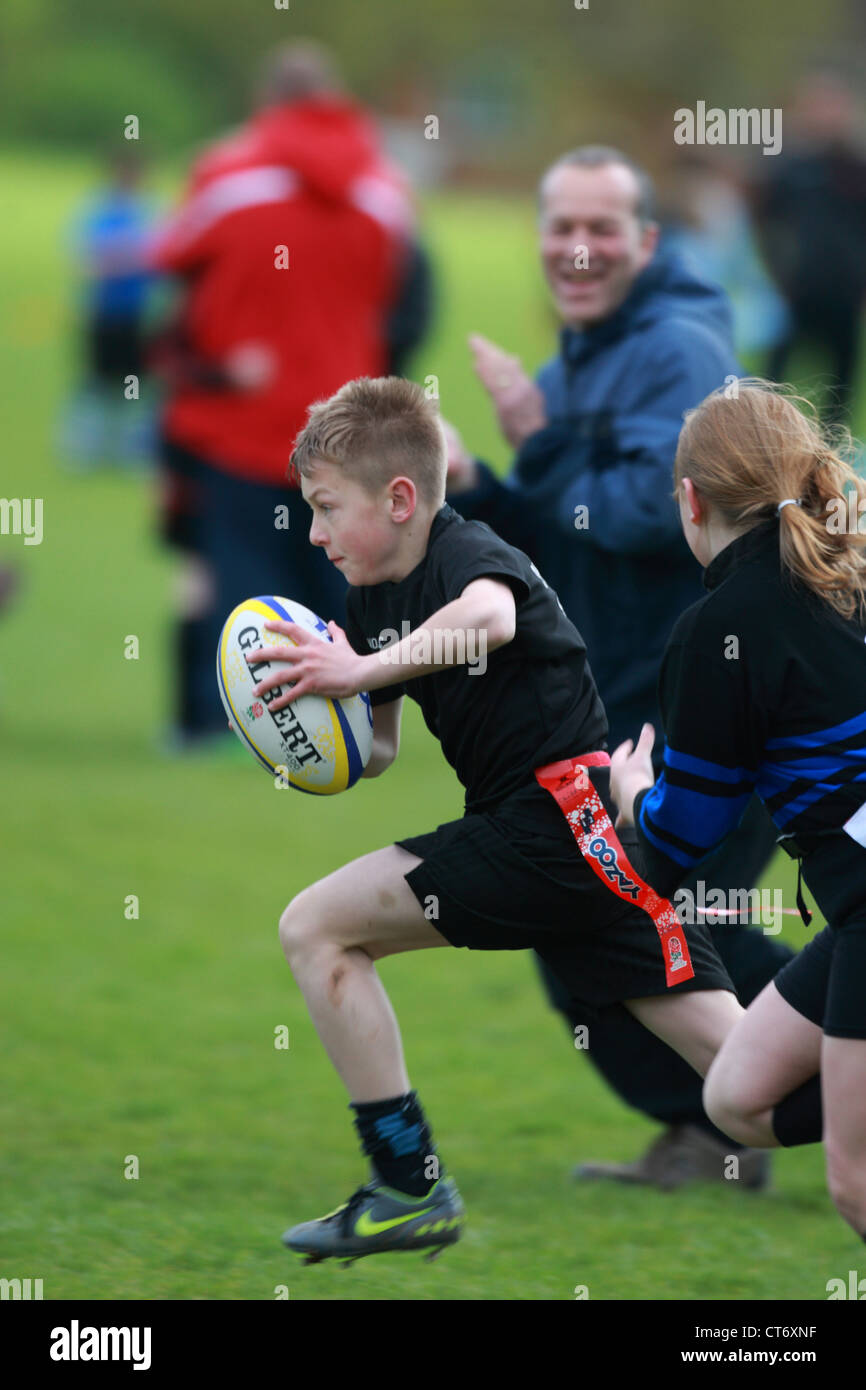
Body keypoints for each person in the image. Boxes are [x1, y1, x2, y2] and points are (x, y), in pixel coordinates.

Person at [241, 375, 742, 1264]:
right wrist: (306, 729)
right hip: (577, 843)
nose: (312, 534)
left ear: (401, 500)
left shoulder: (467, 554)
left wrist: (354, 675)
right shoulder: (371, 601)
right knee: (751, 1087)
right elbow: (381, 750)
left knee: (315, 928)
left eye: (325, 509)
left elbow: (489, 620)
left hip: (554, 824)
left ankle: (406, 1188)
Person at [446, 146, 789, 1188]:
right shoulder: (583, 358)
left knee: (652, 924)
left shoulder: (675, 349)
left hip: (713, 704)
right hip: (628, 708)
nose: (577, 246)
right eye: (559, 225)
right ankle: (722, 1130)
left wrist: (537, 446)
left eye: (602, 226)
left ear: (645, 241)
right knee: (608, 925)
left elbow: (652, 514)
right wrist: (481, 488)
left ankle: (758, 1104)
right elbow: (570, 539)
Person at [609, 380, 866, 1239]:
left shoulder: (720, 627)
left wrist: (633, 794)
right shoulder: (849, 568)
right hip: (854, 910)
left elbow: (686, 837)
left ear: (691, 501)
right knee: (738, 1097)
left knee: (855, 1185)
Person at [147, 42, 429, 747]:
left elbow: (168, 263)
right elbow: (412, 297)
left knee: (235, 572)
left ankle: (222, 727)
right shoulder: (388, 190)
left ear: (268, 103)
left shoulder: (226, 174)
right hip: (344, 422)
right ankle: (351, 719)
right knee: (340, 569)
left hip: (241, 417)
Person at [754, 69, 866, 427]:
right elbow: (765, 223)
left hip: (845, 292)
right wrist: (776, 274)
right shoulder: (789, 168)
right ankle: (767, 442)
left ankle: (833, 454)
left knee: (840, 384)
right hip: (797, 290)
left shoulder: (855, 166)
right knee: (773, 378)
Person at [61, 147, 157, 469]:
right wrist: (132, 254)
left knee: (135, 383)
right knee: (97, 381)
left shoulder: (148, 210)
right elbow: (89, 258)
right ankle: (86, 448)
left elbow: (161, 253)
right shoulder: (99, 210)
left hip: (137, 313)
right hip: (104, 312)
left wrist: (126, 255)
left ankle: (130, 449)